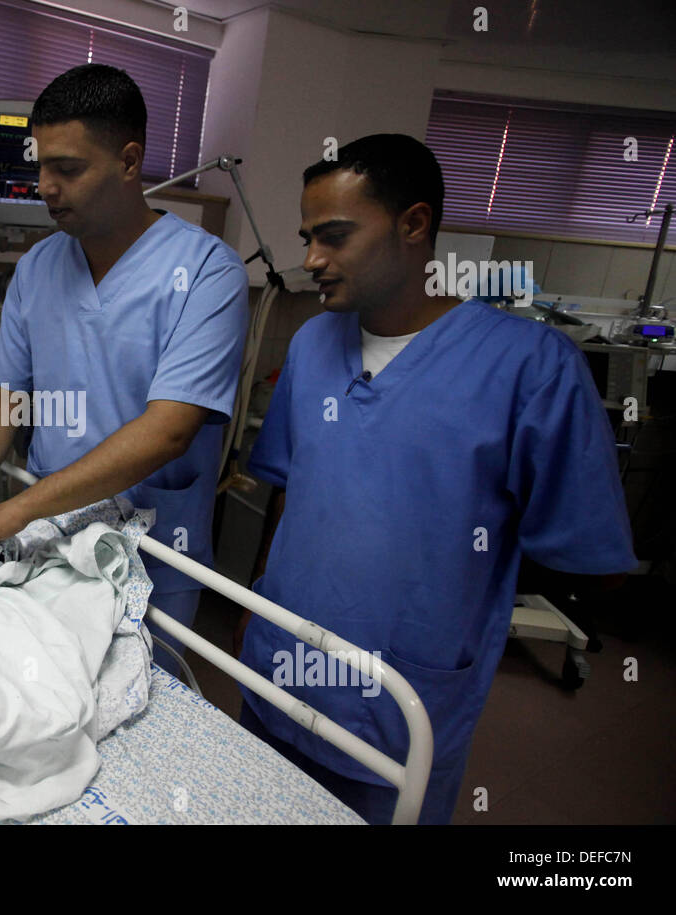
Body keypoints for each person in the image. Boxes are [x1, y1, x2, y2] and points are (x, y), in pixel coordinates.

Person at [235, 134, 636, 824]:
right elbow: (290, 494)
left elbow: (585, 554)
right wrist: (258, 605)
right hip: (275, 666)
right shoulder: (311, 345)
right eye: (306, 238)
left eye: (333, 236)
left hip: (399, 701)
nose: (311, 261)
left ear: (414, 225)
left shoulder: (529, 368)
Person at [0, 64, 249, 675]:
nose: (47, 187)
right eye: (41, 167)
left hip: (157, 547)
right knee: (37, 683)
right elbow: (5, 398)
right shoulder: (39, 267)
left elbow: (169, 430)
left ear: (129, 161)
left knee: (139, 707)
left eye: (69, 169)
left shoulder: (208, 274)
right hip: (53, 535)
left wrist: (16, 510)